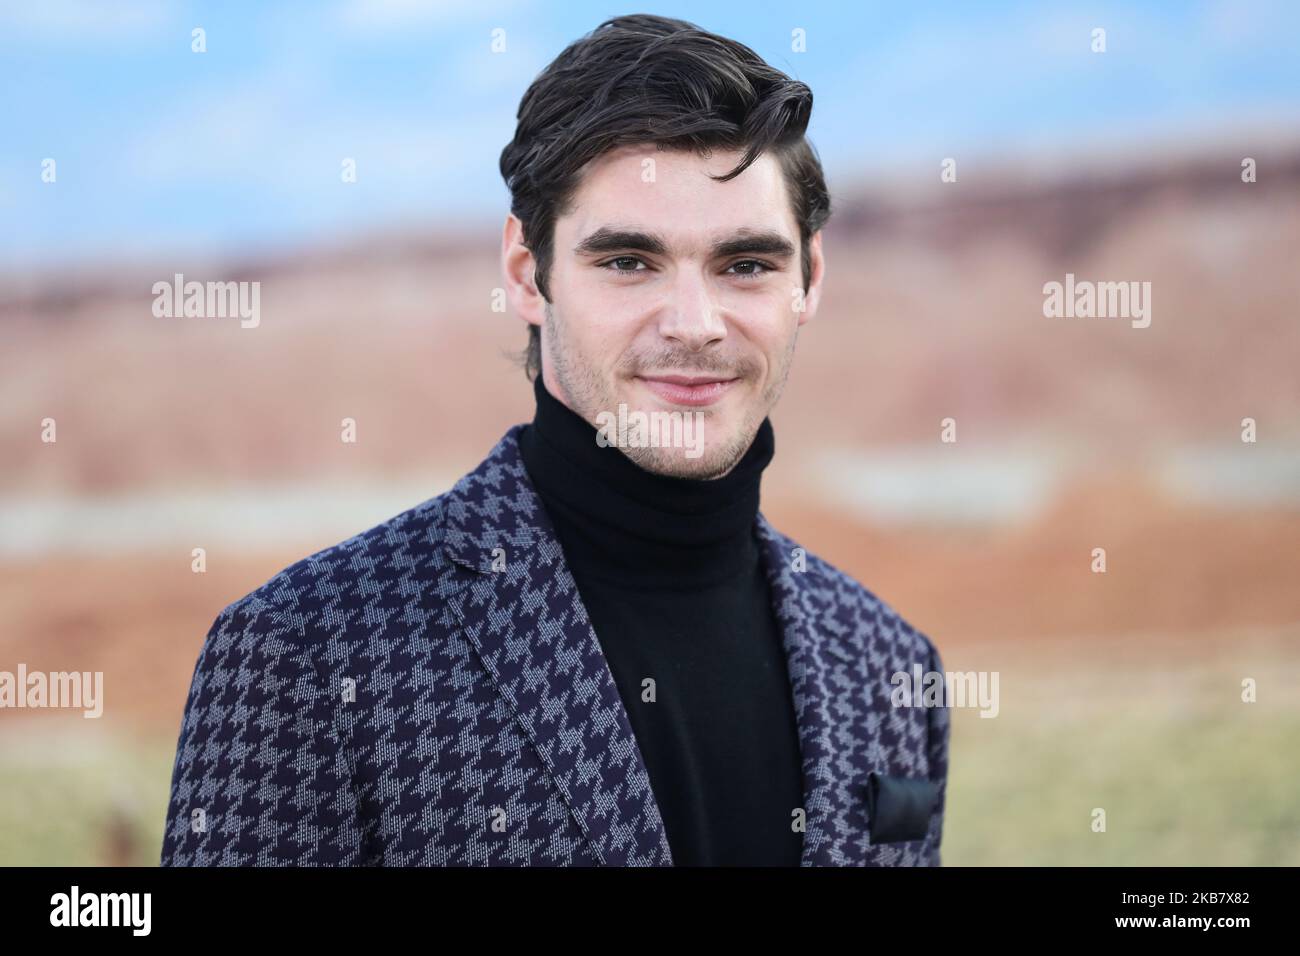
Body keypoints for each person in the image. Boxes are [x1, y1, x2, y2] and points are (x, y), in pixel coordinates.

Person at [160, 13, 948, 867]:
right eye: (628, 262)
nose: (695, 325)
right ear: (526, 274)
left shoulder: (891, 666)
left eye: (746, 264)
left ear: (810, 278)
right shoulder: (303, 656)